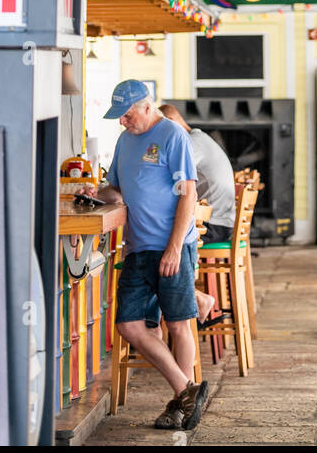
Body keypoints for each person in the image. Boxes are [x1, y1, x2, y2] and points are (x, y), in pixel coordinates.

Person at [96, 80, 209, 431]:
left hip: (171, 246)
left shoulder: (173, 136)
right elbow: (115, 187)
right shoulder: (125, 140)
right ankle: (186, 391)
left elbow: (188, 195)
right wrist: (96, 191)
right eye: (119, 117)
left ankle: (179, 407)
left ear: (147, 107)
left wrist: (175, 248)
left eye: (127, 115)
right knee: (129, 325)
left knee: (177, 324)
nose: (122, 122)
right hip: (137, 247)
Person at [159, 104, 236, 245]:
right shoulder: (199, 137)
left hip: (214, 225)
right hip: (223, 221)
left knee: (161, 238)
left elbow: (169, 175)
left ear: (170, 121)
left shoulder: (191, 143)